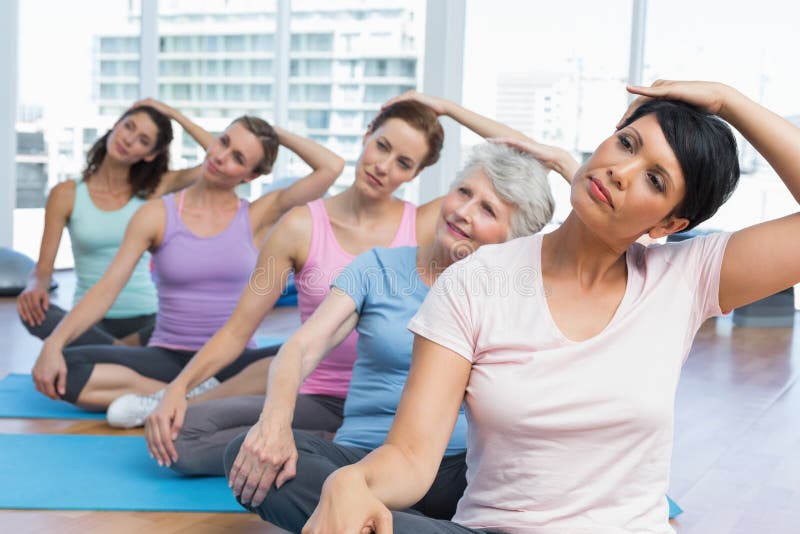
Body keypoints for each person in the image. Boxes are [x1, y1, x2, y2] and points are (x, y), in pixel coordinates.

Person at [293, 80, 800, 534]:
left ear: (669, 224)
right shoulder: (475, 280)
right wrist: (352, 482)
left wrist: (728, 101)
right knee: (318, 487)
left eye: (655, 180)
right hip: (495, 527)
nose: (620, 171)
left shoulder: (685, 278)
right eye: (627, 144)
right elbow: (410, 456)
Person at [136, 93, 547, 473]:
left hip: (395, 405)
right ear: (366, 136)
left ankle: (321, 453)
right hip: (320, 396)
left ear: (416, 173)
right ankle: (320, 446)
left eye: (404, 163)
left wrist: (447, 108)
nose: (384, 166)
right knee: (182, 437)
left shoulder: (430, 222)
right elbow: (238, 329)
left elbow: (522, 162)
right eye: (382, 146)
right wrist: (177, 388)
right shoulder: (299, 227)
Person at [222, 141, 555, 530]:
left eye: (487, 210)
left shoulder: (510, 296)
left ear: (512, 239)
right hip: (362, 464)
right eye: (464, 192)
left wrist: (566, 163)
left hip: (458, 471)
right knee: (246, 457)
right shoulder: (377, 268)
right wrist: (274, 422)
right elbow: (301, 348)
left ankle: (362, 521)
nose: (463, 212)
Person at [30, 114, 345, 411]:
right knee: (66, 366)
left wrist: (272, 132)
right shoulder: (156, 214)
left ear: (251, 175)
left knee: (311, 356)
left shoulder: (258, 215)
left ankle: (173, 402)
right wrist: (54, 343)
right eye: (223, 142)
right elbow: (108, 288)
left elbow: (331, 167)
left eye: (238, 158)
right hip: (167, 356)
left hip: (232, 361)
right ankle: (187, 398)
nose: (221, 157)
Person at [17, 100, 207, 347]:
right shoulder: (66, 194)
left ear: (150, 155)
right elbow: (43, 270)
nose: (128, 139)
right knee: (34, 314)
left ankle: (104, 353)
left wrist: (174, 114)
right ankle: (123, 352)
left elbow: (218, 158)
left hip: (146, 319)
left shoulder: (155, 188)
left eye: (143, 140)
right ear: (116, 125)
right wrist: (34, 287)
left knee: (193, 319)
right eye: (129, 126)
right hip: (87, 322)